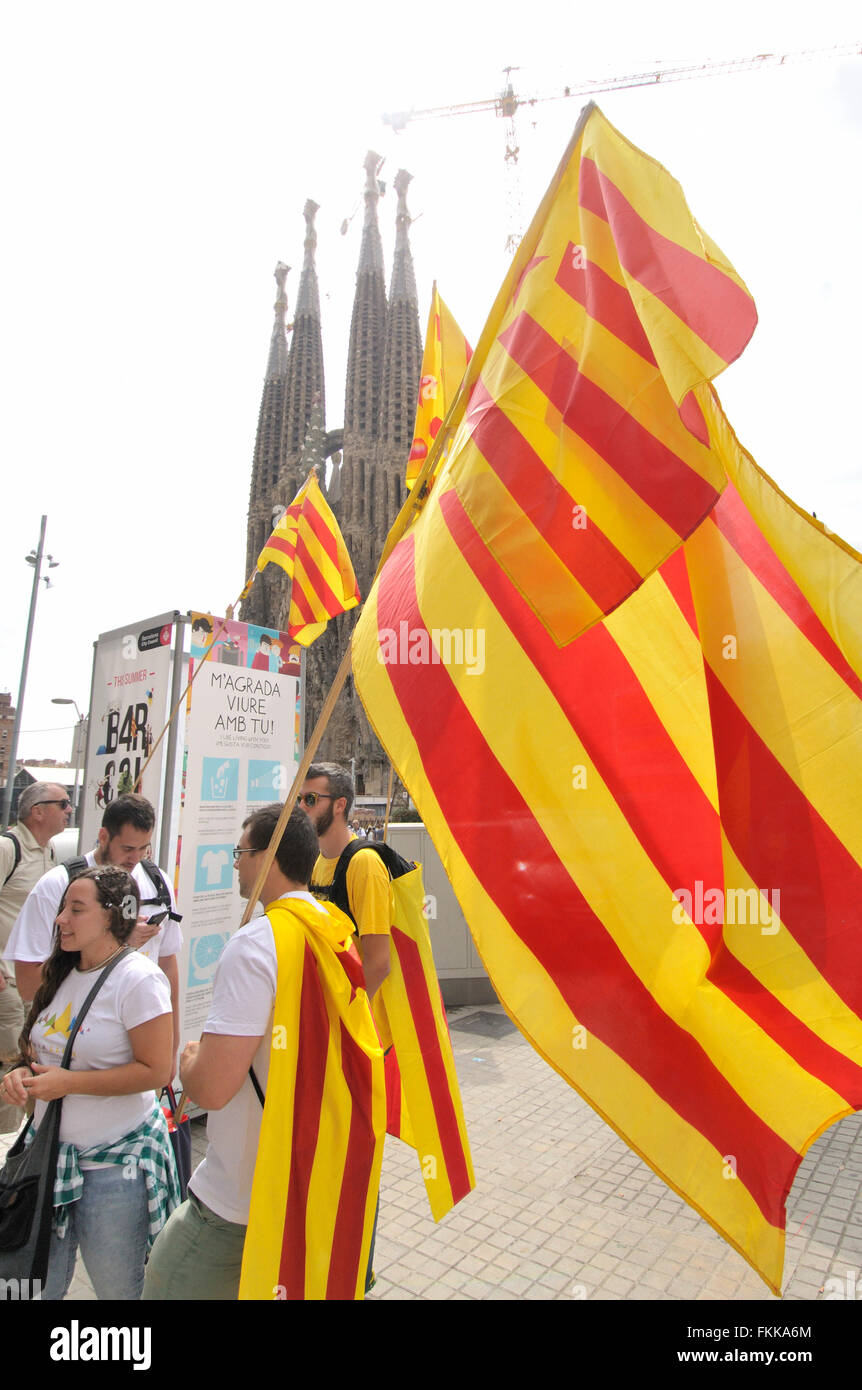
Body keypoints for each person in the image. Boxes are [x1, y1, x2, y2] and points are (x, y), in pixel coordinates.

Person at [142, 803, 383, 1301]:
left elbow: (211, 1087)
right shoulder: (332, 928)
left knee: (164, 1281)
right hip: (311, 1169)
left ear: (269, 857)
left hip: (240, 1197)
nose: (235, 863)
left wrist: (190, 1062)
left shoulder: (257, 944)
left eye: (241, 852)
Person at [0, 866, 179, 1300]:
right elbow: (46, 1053)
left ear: (115, 917)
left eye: (76, 909)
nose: (61, 918)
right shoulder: (60, 972)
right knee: (30, 1288)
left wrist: (69, 1084)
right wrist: (23, 1075)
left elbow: (156, 1071)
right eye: (63, 908)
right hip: (47, 1166)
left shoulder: (137, 979)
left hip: (115, 1172)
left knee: (118, 1292)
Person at [7, 794, 182, 1063]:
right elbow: (28, 985)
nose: (135, 858)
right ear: (103, 836)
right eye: (126, 848)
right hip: (64, 1043)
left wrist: (171, 1043)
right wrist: (119, 946)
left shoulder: (157, 882)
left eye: (143, 849)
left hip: (139, 1043)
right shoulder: (57, 885)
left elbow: (168, 964)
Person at [0, 784, 71, 1128]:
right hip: (8, 983)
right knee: (9, 1068)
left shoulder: (52, 853)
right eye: (63, 804)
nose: (69, 810)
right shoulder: (7, 848)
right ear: (37, 811)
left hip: (37, 984)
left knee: (27, 1065)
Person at [299, 763, 392, 1009]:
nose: (301, 807)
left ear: (339, 805)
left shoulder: (365, 864)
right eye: (299, 799)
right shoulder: (318, 861)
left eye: (310, 799)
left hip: (363, 1029)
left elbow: (379, 961)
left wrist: (349, 1018)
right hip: (329, 1009)